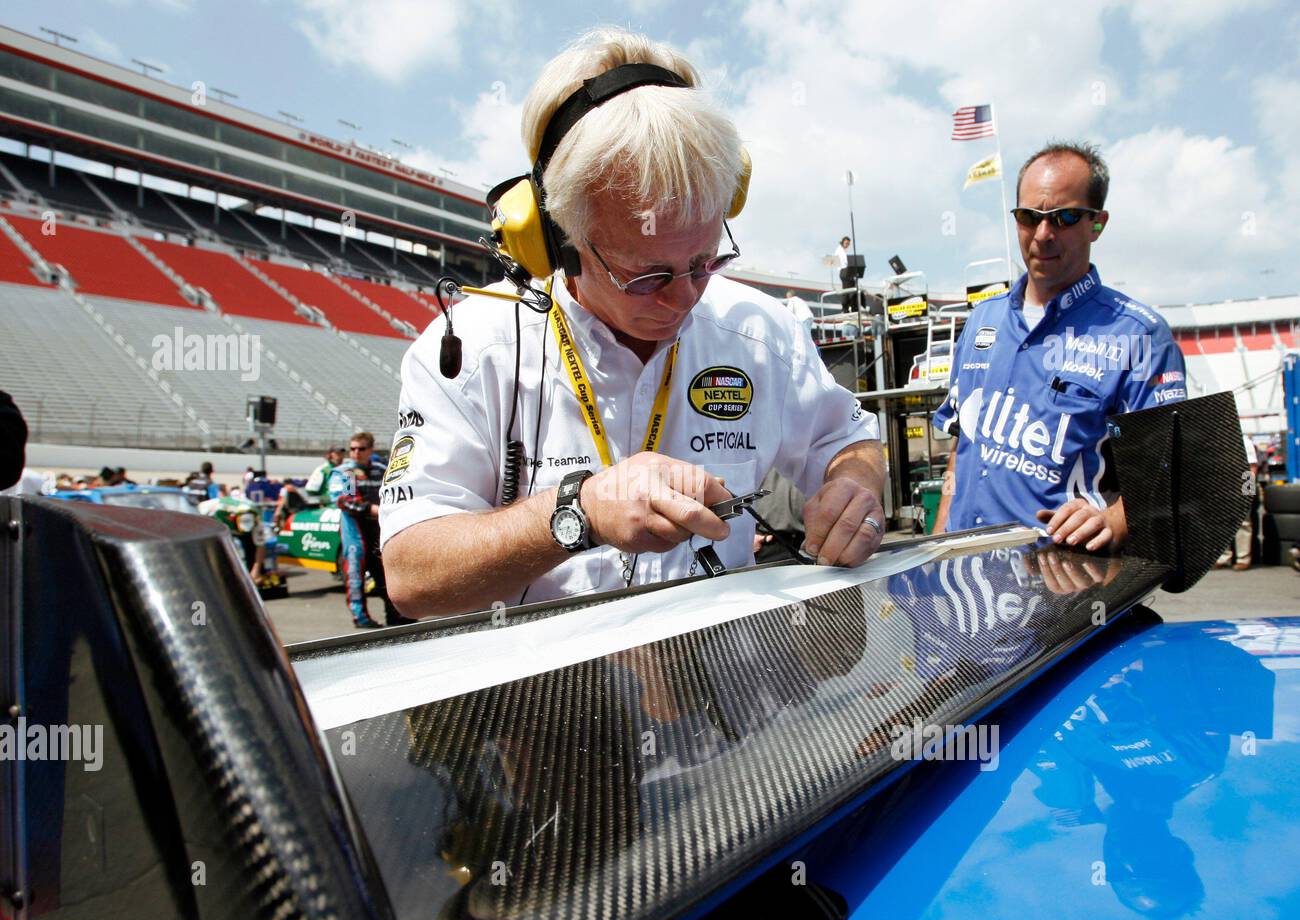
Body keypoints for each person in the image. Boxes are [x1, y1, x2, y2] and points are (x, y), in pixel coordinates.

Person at [380, 29, 885, 619]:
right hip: (535, 703)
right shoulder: (474, 346)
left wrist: (857, 489)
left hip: (720, 694)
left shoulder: (761, 328)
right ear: (558, 242)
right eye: (646, 276)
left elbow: (849, 441)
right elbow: (411, 574)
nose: (684, 299)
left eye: (704, 262)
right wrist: (579, 512)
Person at [933, 141, 1187, 550]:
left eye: (1066, 218)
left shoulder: (1138, 334)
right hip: (965, 587)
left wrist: (1112, 519)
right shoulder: (982, 320)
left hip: (1064, 595)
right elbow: (962, 448)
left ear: (1098, 223)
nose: (1043, 235)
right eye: (1029, 217)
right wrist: (935, 548)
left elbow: (1167, 472)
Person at [330, 431, 409, 628]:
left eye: (361, 449)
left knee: (387, 574)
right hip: (355, 532)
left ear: (370, 450)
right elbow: (346, 501)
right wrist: (373, 509)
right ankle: (361, 618)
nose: (356, 453)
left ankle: (397, 615)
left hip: (380, 530)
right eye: (353, 449)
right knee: (355, 576)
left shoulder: (382, 468)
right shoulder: (346, 472)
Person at [274, 444, 343, 527]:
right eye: (338, 454)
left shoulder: (346, 469)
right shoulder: (322, 470)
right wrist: (326, 499)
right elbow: (311, 490)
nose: (340, 456)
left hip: (342, 505)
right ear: (330, 454)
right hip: (328, 507)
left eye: (342, 454)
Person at [1217, 433, 1258, 570]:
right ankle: (1223, 557)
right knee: (1222, 522)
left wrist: (1248, 491)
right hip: (1222, 487)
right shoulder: (1218, 441)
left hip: (1240, 486)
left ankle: (1243, 559)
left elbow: (1251, 467)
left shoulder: (1244, 441)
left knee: (1243, 523)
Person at [835, 236, 859, 313]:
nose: (847, 245)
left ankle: (851, 307)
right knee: (847, 291)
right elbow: (844, 262)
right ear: (842, 242)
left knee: (851, 290)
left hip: (847, 271)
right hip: (844, 271)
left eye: (848, 244)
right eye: (846, 243)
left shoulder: (843, 250)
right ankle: (846, 308)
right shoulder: (840, 250)